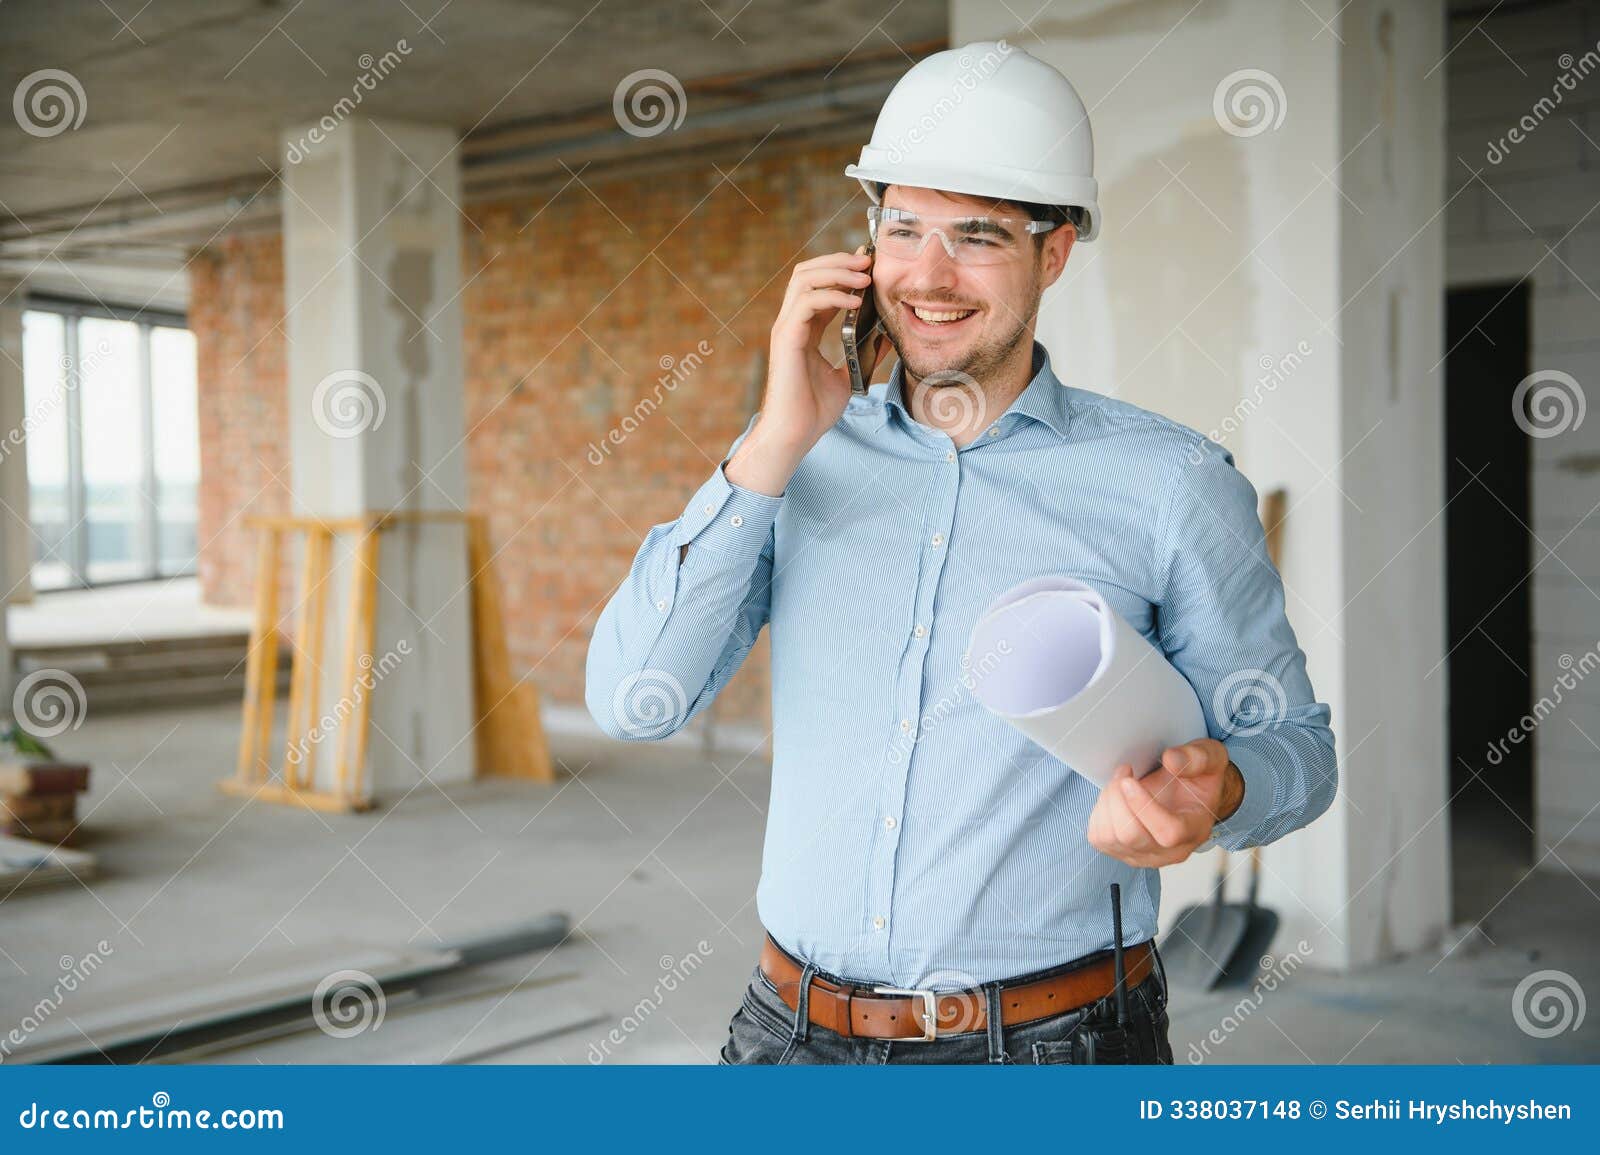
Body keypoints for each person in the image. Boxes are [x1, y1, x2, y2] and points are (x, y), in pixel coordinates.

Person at [585, 41, 1336, 1065]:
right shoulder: (794, 459)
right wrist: (771, 441)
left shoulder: (1168, 482)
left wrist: (1222, 791)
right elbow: (634, 697)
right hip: (788, 1041)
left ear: (1053, 252)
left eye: (976, 237)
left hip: (1050, 1052)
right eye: (903, 228)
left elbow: (1298, 748)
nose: (928, 277)